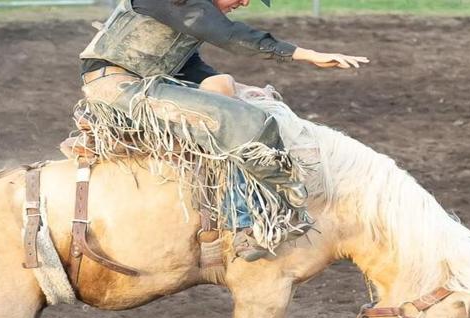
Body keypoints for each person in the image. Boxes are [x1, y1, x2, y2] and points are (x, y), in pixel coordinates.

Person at [78, 0, 367, 259]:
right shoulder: (176, 3)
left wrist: (240, 88)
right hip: (119, 89)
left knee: (225, 87)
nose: (245, 2)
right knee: (249, 123)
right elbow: (230, 35)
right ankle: (249, 223)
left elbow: (188, 67)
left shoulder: (183, 12)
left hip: (141, 84)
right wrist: (305, 54)